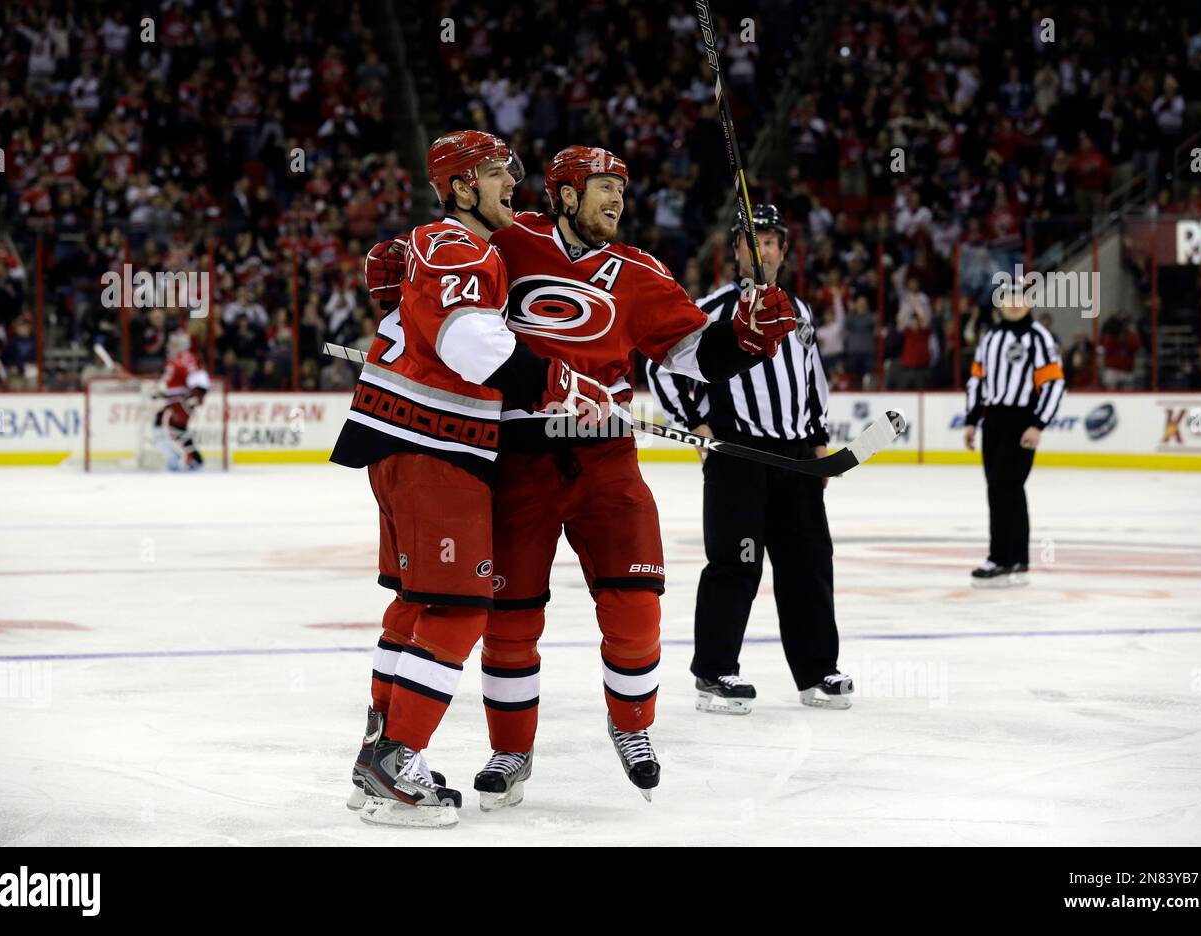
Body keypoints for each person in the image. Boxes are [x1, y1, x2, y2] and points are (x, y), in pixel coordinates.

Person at [366, 145, 796, 809]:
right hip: (516, 459)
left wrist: (743, 338)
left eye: (621, 188)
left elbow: (694, 356)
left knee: (635, 607)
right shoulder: (511, 240)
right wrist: (401, 264)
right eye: (601, 187)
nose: (616, 200)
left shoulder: (641, 272)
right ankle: (510, 748)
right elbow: (448, 254)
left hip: (605, 459)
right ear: (565, 194)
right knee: (508, 621)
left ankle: (633, 728)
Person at [333, 131, 608, 828]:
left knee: (415, 602)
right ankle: (399, 758)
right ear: (460, 188)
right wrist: (556, 384)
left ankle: (378, 753)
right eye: (494, 173)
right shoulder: (460, 245)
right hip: (432, 445)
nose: (510, 182)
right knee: (459, 607)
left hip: (406, 440)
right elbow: (467, 342)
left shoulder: (437, 245)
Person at [647, 204, 852, 714]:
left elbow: (812, 378)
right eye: (749, 240)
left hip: (796, 457)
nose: (760, 249)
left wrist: (819, 438)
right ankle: (715, 673)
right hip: (737, 455)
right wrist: (695, 422)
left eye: (769, 240)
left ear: (782, 250)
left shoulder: (799, 311)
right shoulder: (712, 308)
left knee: (808, 564)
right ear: (735, 249)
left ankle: (817, 671)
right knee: (735, 564)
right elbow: (660, 366)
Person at [963, 288, 1066, 586]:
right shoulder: (990, 338)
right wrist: (972, 419)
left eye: (1020, 299)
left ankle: (1000, 558)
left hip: (1022, 421)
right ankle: (1018, 558)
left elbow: (1054, 384)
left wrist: (1037, 424)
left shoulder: (1039, 338)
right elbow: (977, 379)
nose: (1014, 304)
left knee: (1002, 487)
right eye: (1008, 299)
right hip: (993, 421)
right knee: (1009, 488)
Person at [151, 330, 211, 470]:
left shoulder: (183, 359)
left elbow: (198, 382)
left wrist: (195, 396)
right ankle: (187, 459)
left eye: (173, 343)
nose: (169, 346)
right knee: (175, 429)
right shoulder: (180, 359)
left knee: (167, 427)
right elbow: (172, 384)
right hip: (176, 401)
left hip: (180, 402)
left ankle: (181, 459)